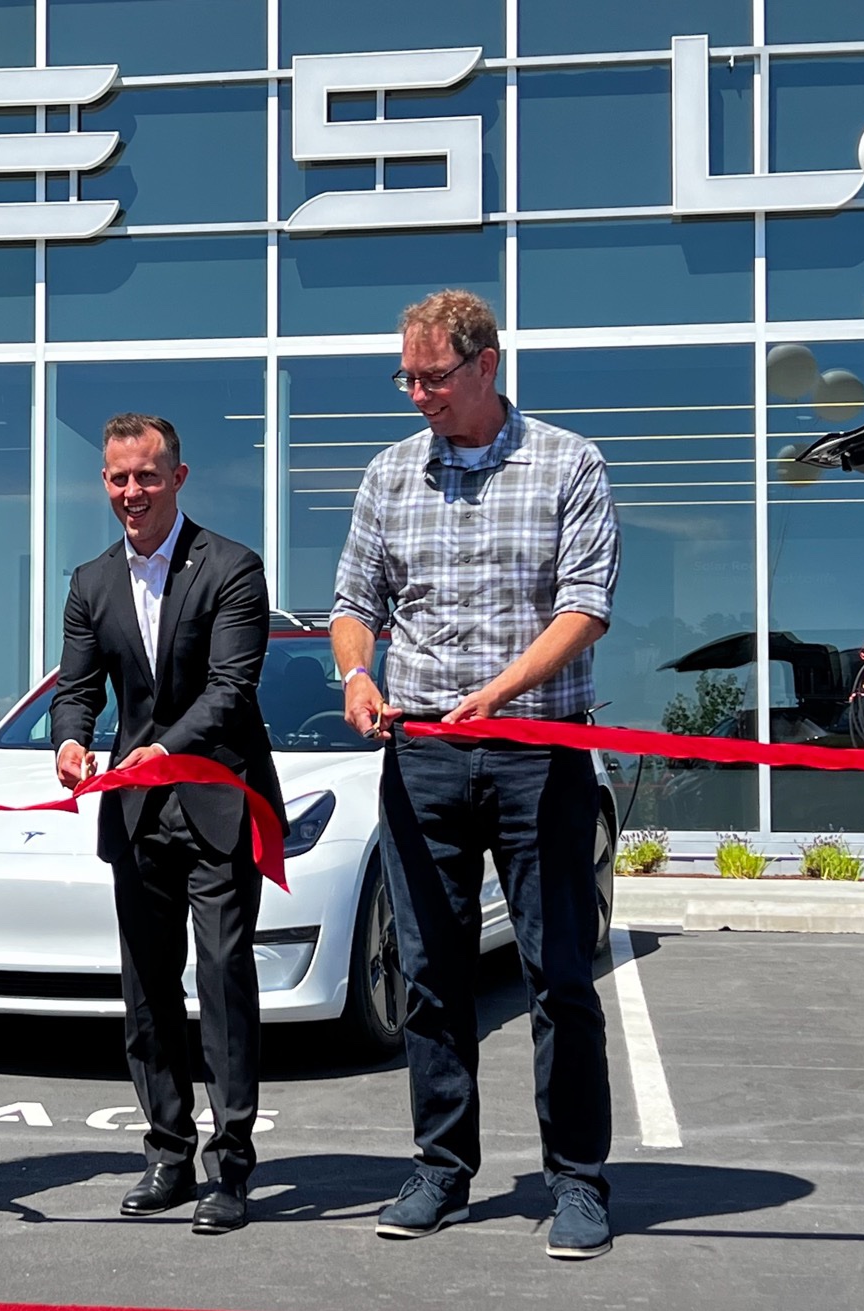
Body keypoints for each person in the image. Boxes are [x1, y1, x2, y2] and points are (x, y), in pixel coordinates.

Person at [330, 289, 621, 1260]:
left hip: (538, 751)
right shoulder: (386, 476)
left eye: (433, 377)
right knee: (427, 973)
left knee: (558, 976)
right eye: (405, 376)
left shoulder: (567, 464)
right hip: (419, 754)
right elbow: (350, 601)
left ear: (487, 363)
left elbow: (583, 607)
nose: (416, 393)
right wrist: (357, 670)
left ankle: (575, 1180)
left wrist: (500, 691)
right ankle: (440, 1169)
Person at [50, 413, 284, 1235]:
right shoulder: (90, 582)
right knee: (146, 991)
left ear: (177, 478)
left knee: (222, 982)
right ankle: (166, 1153)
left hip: (219, 801)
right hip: (138, 811)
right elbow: (77, 688)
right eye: (118, 478)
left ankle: (232, 1164)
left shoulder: (232, 568)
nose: (131, 492)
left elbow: (229, 690)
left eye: (146, 476)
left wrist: (159, 749)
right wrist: (72, 740)